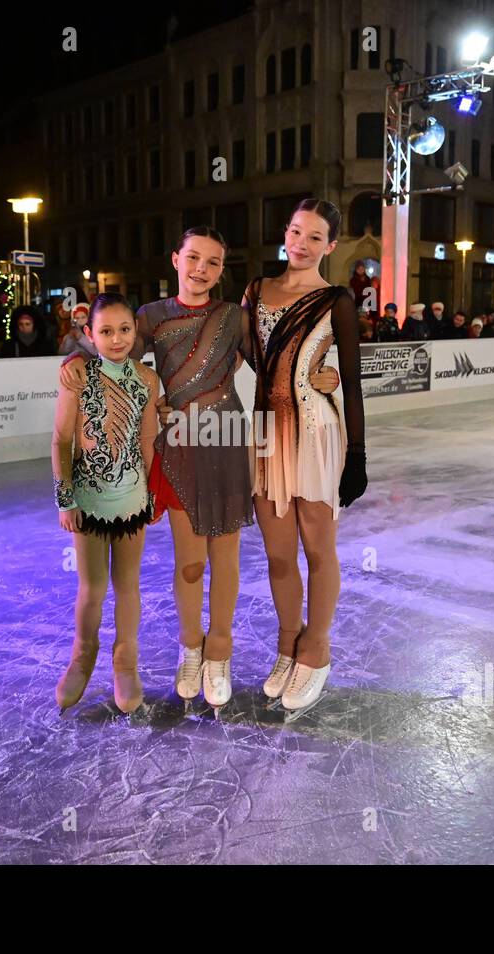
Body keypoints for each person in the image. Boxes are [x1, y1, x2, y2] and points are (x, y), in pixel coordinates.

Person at [58, 226, 342, 714]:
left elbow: (276, 360)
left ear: (220, 270)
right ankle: (191, 649)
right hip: (180, 446)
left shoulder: (234, 316)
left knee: (226, 560)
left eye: (212, 263)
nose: (201, 270)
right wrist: (76, 358)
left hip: (227, 441)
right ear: (175, 259)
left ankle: (220, 653)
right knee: (189, 563)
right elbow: (113, 342)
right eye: (193, 258)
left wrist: (320, 371)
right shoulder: (151, 316)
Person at [243, 198, 367, 714]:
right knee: (277, 554)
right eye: (296, 231)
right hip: (268, 435)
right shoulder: (255, 291)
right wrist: (295, 373)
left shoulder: (336, 299)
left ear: (330, 246)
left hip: (316, 433)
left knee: (318, 549)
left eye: (315, 237)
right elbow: (251, 354)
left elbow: (354, 382)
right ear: (285, 233)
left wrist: (357, 454)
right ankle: (287, 643)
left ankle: (316, 649)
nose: (301, 243)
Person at [51, 293, 161, 715]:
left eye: (125, 329)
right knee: (93, 587)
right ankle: (82, 656)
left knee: (128, 585)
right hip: (88, 501)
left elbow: (148, 439)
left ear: (136, 331)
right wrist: (65, 500)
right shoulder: (78, 374)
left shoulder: (147, 379)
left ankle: (125, 661)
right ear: (89, 335)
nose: (117, 339)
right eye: (107, 331)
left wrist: (152, 494)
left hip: (132, 499)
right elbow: (61, 440)